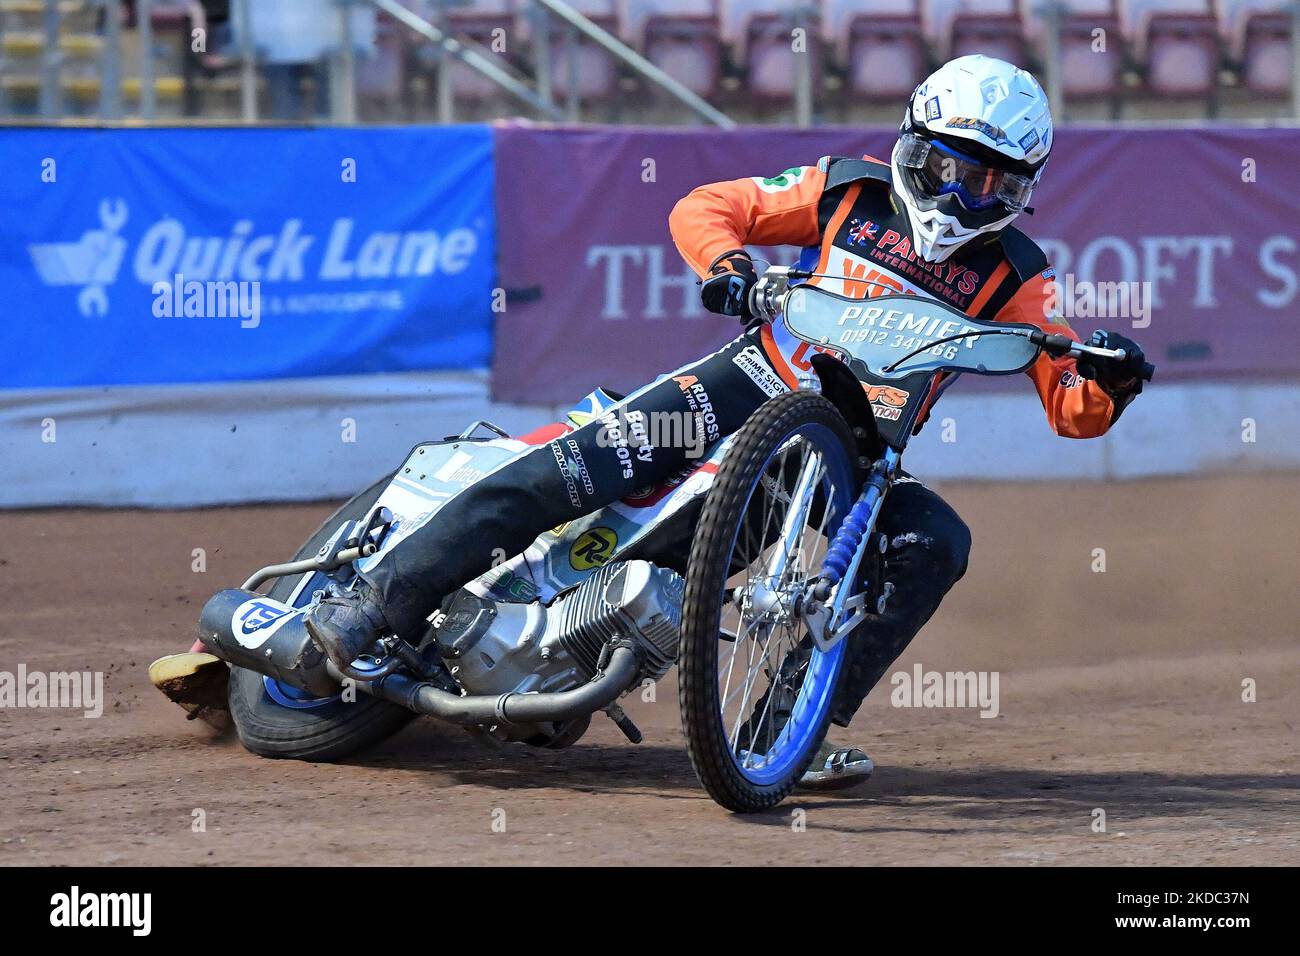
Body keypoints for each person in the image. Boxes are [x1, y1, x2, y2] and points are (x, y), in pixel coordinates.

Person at [162, 55, 1151, 790]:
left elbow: (1072, 406)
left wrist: (1114, 373)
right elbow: (707, 205)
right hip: (740, 384)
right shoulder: (845, 189)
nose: (960, 194)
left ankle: (791, 728)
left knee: (936, 540)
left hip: (845, 464)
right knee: (569, 473)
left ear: (1019, 188)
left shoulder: (1019, 276)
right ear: (914, 144)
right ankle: (368, 605)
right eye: (948, 166)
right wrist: (726, 271)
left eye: (988, 180)